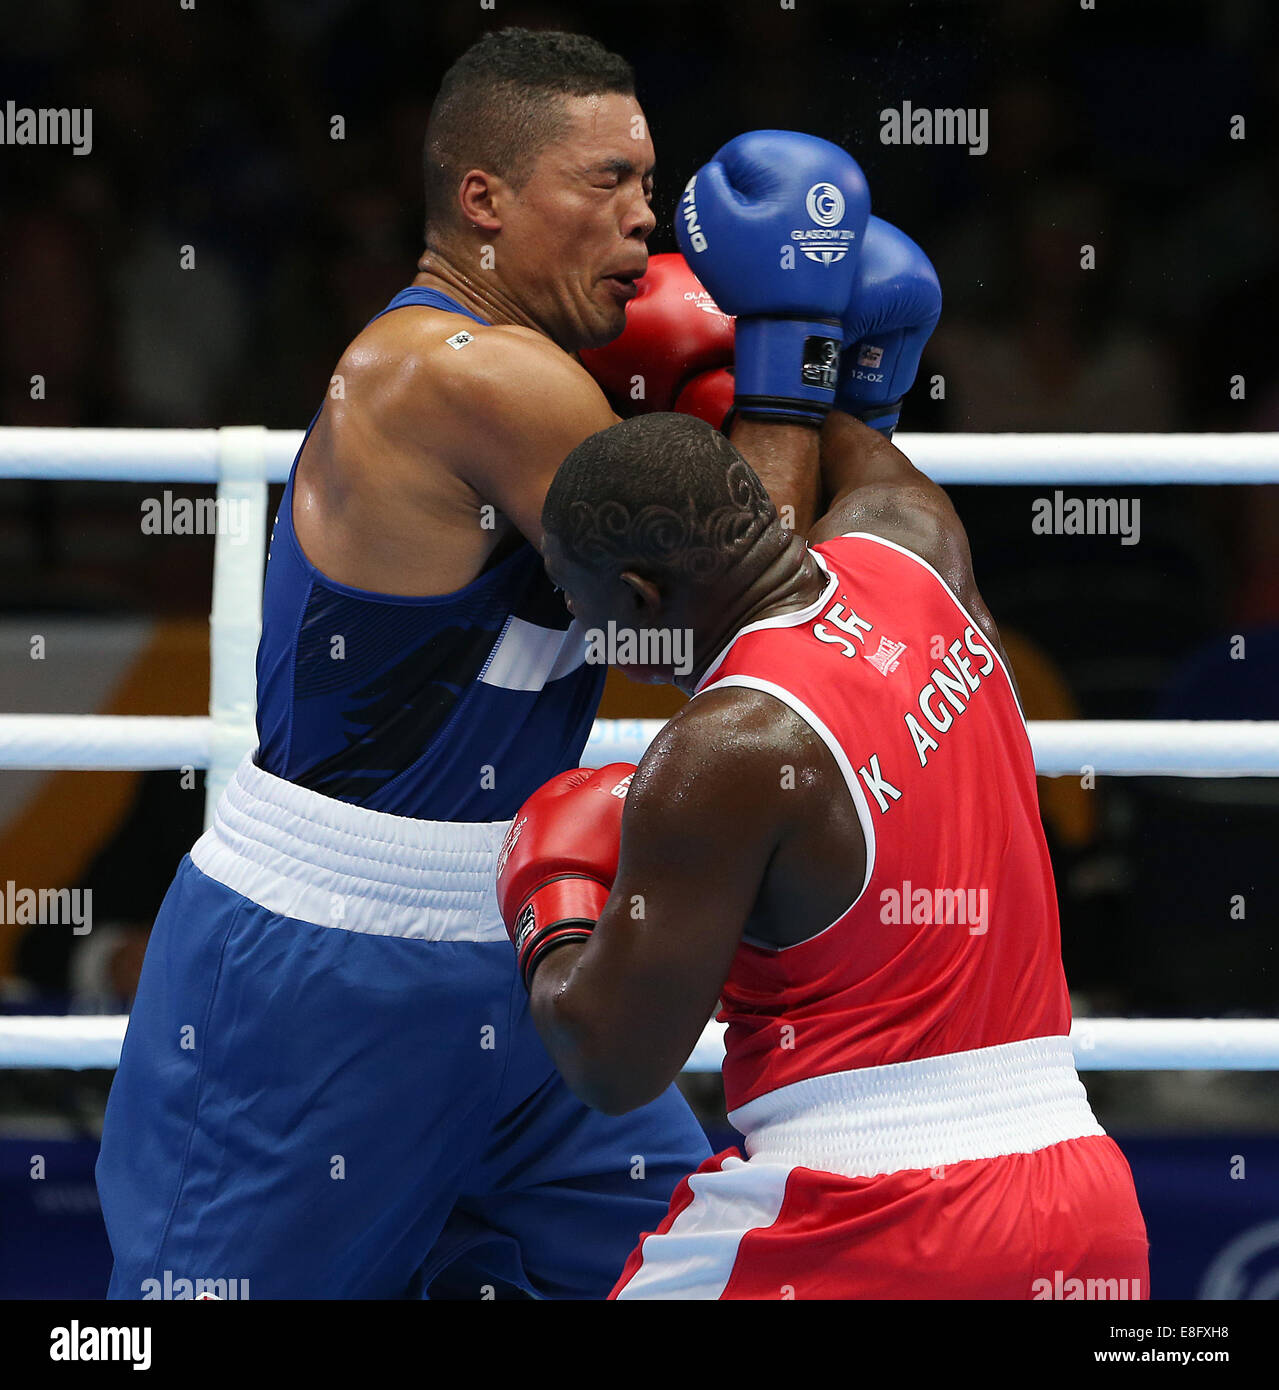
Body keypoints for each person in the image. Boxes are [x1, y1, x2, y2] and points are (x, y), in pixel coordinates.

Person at [95, 26, 871, 1299]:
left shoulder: (560, 376)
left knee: (681, 1271)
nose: (644, 221)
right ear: (484, 201)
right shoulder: (466, 376)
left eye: (648, 182)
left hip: (523, 947)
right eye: (604, 183)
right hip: (328, 969)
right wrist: (794, 364)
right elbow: (740, 620)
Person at [496, 219, 1150, 1299]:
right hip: (1080, 1202)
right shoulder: (913, 537)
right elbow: (831, 429)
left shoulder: (719, 751)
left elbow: (609, 1063)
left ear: (642, 599)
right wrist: (765, 351)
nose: (596, 636)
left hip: (862, 1212)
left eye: (588, 606)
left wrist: (551, 900)